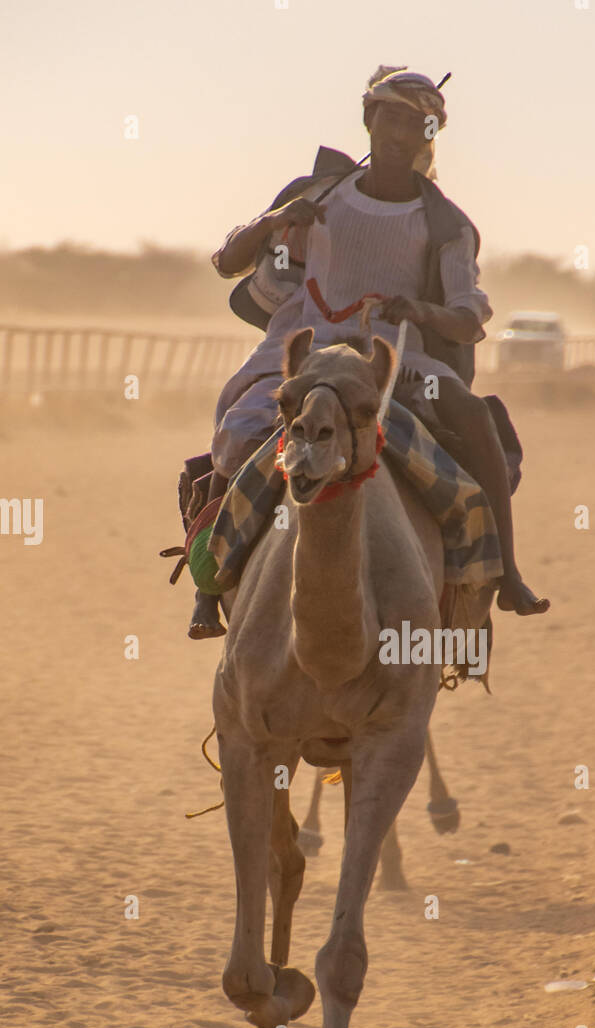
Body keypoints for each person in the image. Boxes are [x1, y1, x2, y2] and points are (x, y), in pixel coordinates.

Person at [188, 65, 549, 637]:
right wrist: (276, 222)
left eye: (414, 123)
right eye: (389, 116)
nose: (398, 132)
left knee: (476, 419)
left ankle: (507, 573)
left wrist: (424, 312)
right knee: (238, 431)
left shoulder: (445, 223)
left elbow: (468, 312)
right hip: (303, 349)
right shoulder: (316, 195)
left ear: (430, 135)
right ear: (368, 118)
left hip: (396, 360)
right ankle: (209, 578)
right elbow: (227, 260)